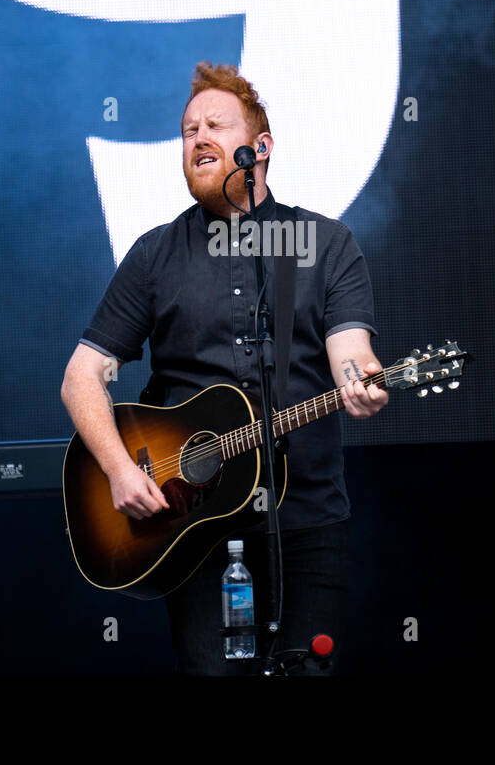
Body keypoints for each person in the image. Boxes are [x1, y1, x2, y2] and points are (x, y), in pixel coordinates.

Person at [61, 62, 387, 674]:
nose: (198, 138)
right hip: (196, 528)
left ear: (260, 147)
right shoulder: (156, 253)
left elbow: (351, 352)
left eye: (215, 124)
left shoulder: (324, 242)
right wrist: (116, 469)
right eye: (188, 131)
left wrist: (361, 380)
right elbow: (82, 376)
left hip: (307, 520)